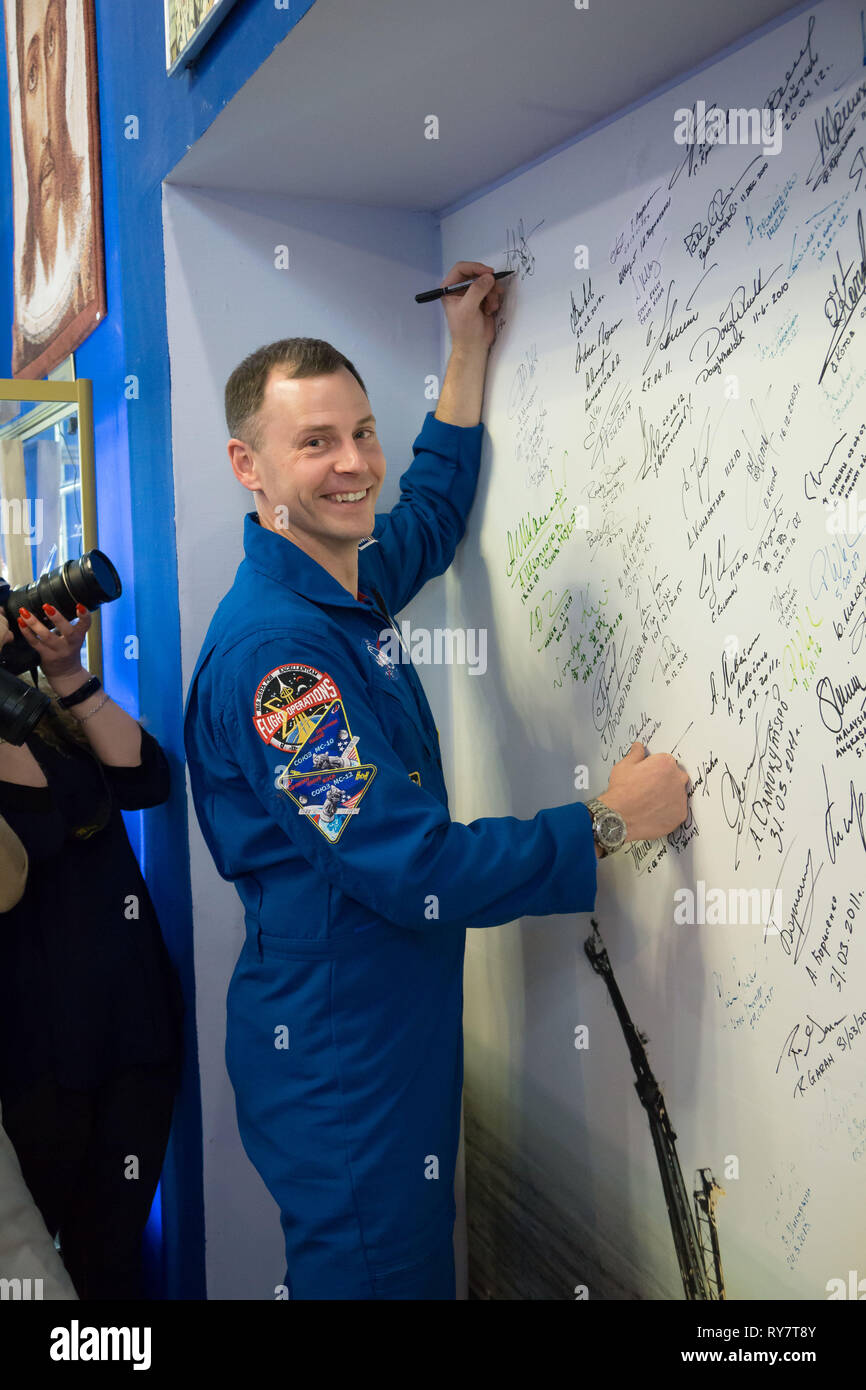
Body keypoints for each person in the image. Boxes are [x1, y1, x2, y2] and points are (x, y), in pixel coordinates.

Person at [183, 260, 689, 1300]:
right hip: (341, 1063)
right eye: (314, 442)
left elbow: (426, 516)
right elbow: (412, 862)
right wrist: (605, 819)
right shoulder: (279, 669)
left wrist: (465, 350)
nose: (353, 463)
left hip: (381, 1030)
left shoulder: (341, 577)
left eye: (360, 431)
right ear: (249, 464)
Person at [0, 601, 184, 1300]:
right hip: (35, 1057)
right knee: (31, 1273)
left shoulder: (39, 711)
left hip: (132, 1030)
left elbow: (147, 780)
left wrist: (67, 671)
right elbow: (23, 859)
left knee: (112, 1260)